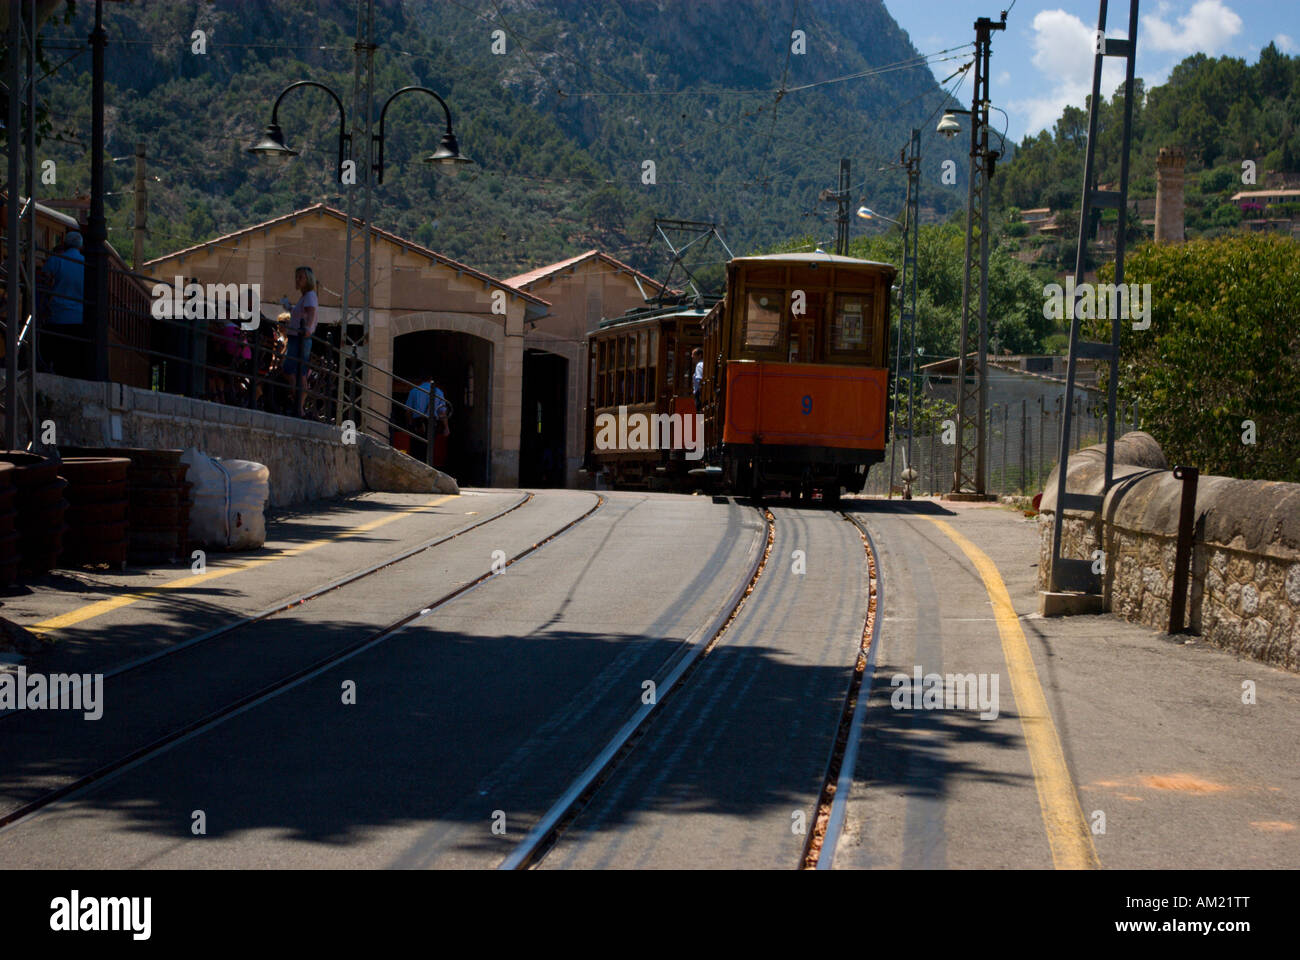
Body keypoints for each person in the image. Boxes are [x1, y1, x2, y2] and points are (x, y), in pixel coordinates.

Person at [40, 230, 86, 378]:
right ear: (80, 246)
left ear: (64, 244)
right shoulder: (87, 264)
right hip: (78, 317)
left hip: (57, 315)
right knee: (72, 357)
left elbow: (43, 282)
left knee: (54, 353)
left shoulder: (56, 260)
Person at [281, 266, 318, 417]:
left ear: (308, 279)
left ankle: (299, 405)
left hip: (300, 337)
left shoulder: (309, 295)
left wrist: (308, 328)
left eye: (301, 277)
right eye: (297, 277)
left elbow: (310, 313)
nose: (297, 280)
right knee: (295, 371)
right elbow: (301, 314)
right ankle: (298, 405)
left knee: (294, 370)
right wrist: (289, 307)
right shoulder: (306, 296)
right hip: (297, 336)